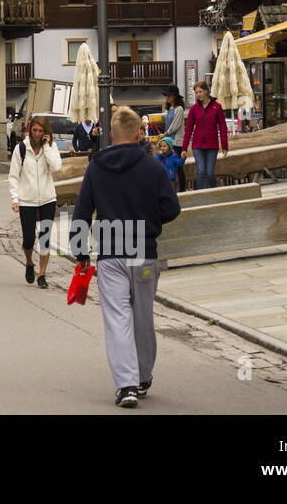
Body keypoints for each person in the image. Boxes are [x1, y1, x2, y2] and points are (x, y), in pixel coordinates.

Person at [72, 106, 181, 408]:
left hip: (111, 254)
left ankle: (127, 385)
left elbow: (82, 211)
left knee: (117, 318)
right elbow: (171, 208)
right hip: (143, 252)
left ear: (111, 134)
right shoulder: (153, 167)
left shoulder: (96, 167)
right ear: (138, 133)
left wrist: (81, 252)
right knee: (143, 316)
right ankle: (143, 377)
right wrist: (150, 221)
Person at [9, 115, 62, 286]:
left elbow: (57, 167)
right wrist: (15, 198)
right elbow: (13, 176)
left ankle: (42, 275)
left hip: (48, 198)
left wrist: (46, 147)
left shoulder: (51, 147)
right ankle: (29, 262)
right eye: (35, 130)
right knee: (28, 240)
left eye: (41, 131)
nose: (37, 134)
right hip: (27, 200)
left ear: (46, 132)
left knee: (45, 238)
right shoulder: (21, 148)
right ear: (30, 130)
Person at [182, 81, 228, 190]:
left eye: (200, 91)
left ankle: (213, 192)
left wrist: (225, 146)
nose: (198, 94)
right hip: (197, 146)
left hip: (212, 145)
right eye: (196, 92)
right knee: (201, 171)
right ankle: (200, 196)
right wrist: (184, 148)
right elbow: (188, 129)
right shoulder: (194, 109)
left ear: (206, 91)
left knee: (210, 172)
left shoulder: (217, 107)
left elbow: (223, 128)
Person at [162, 87, 188, 192]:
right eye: (166, 95)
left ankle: (182, 190)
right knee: (170, 166)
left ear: (174, 96)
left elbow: (175, 126)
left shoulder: (179, 109)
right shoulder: (169, 109)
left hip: (177, 142)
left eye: (169, 95)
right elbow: (168, 125)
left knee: (178, 167)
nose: (167, 97)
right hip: (169, 142)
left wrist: (165, 134)